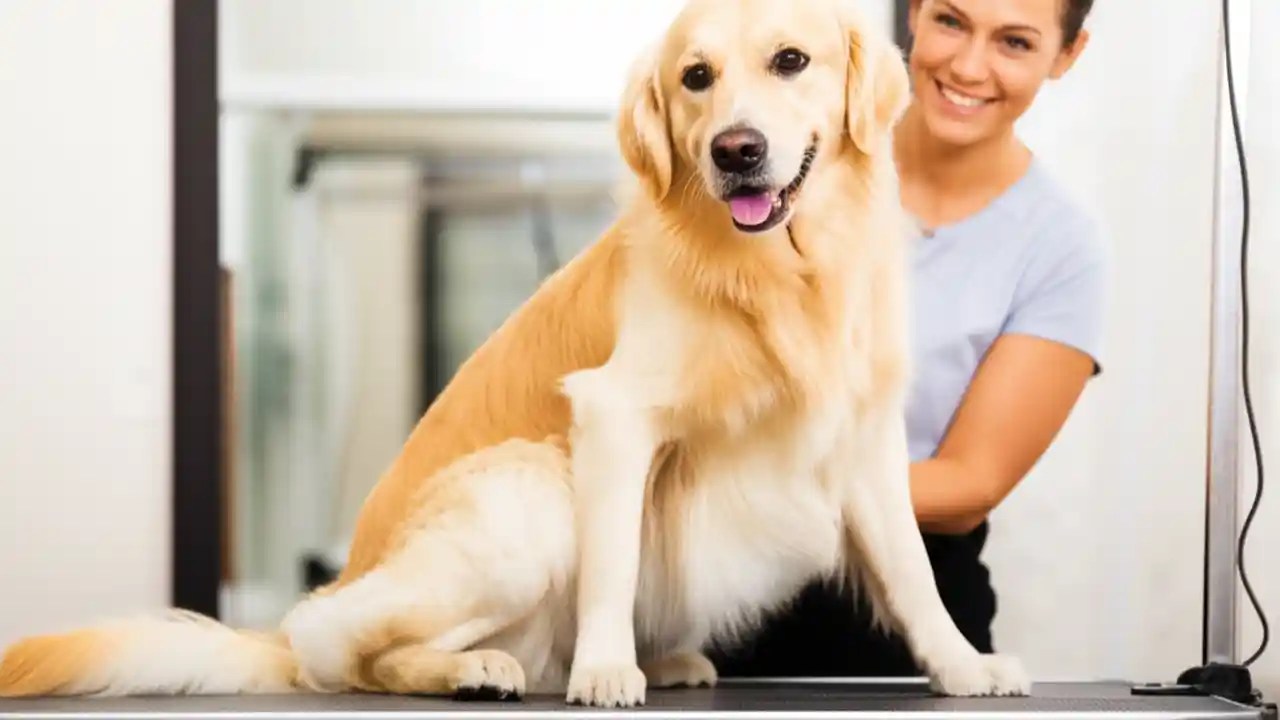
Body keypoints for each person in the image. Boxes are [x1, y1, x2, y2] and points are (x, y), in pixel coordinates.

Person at [709, 0, 1108, 677]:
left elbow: (970, 484)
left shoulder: (1060, 246)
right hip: (712, 593)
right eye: (951, 21)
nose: (969, 65)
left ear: (1065, 55)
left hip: (904, 621)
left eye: (1014, 42)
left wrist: (769, 493)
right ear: (915, 14)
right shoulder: (777, 161)